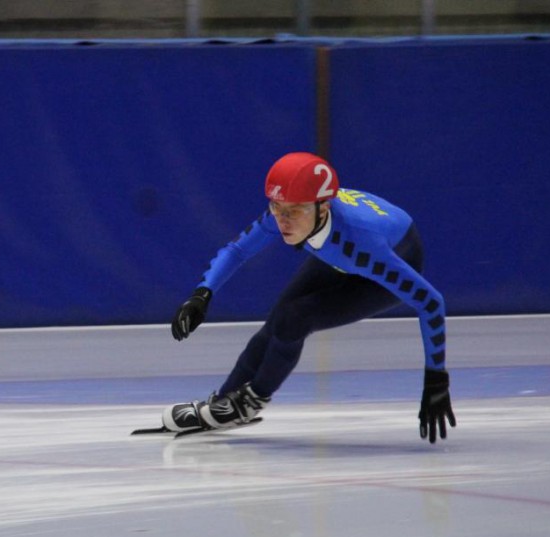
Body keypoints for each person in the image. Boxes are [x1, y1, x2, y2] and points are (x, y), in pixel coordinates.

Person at [164, 152, 456, 444]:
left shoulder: (363, 246)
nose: (283, 221)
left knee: (295, 318)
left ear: (323, 208)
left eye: (294, 211)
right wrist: (201, 296)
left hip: (388, 255)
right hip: (340, 250)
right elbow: (237, 251)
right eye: (277, 208)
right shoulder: (294, 214)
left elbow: (430, 301)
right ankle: (225, 401)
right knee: (279, 316)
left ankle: (251, 402)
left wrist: (436, 377)